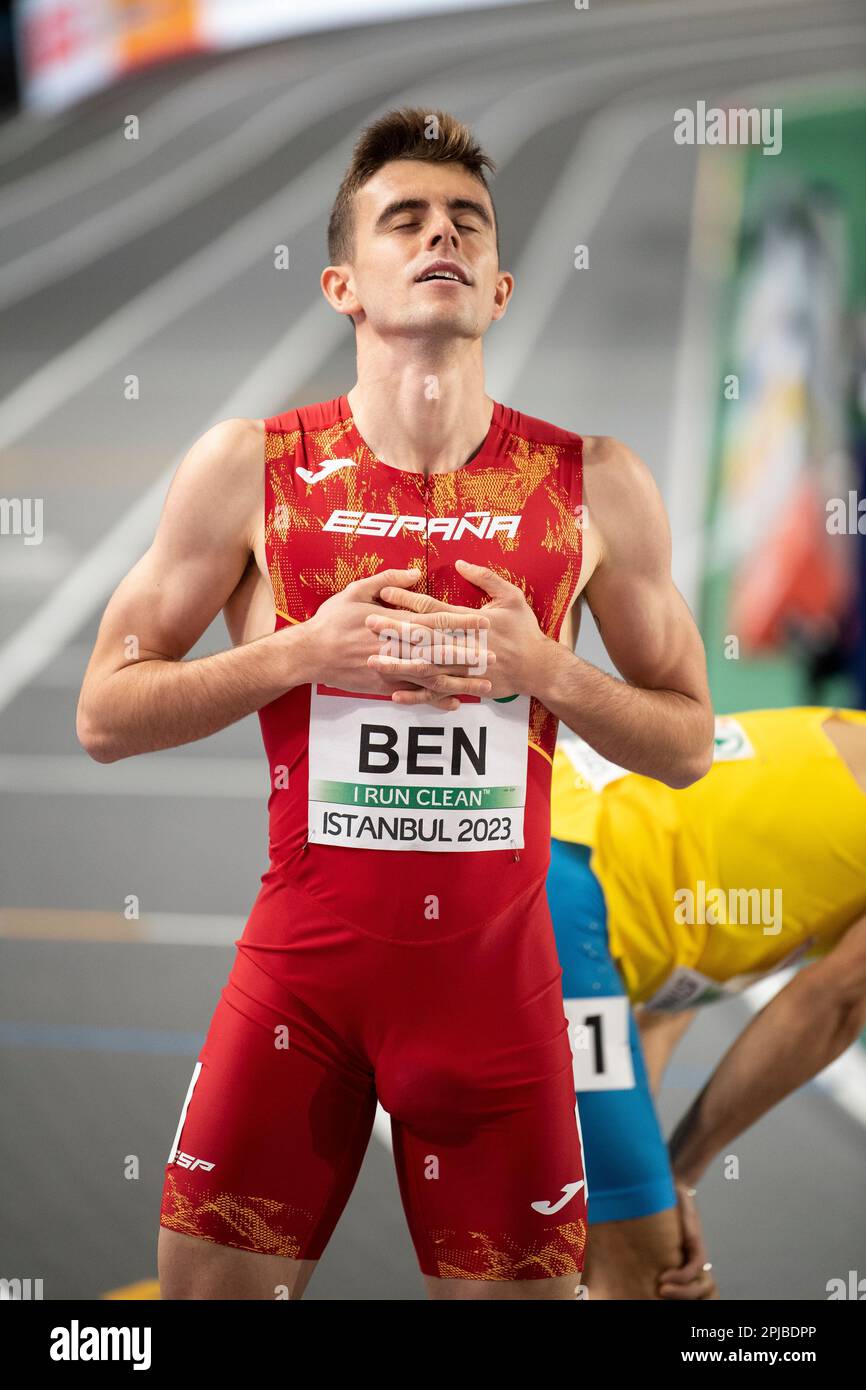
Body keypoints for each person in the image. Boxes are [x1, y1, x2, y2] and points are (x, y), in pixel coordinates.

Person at [76, 108, 713, 1301]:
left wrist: (550, 674)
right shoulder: (247, 468)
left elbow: (685, 746)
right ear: (342, 284)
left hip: (500, 1013)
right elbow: (105, 714)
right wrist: (299, 651)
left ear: (501, 284)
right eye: (404, 219)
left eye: (466, 221)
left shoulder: (596, 486)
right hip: (298, 998)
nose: (441, 236)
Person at [547, 702, 866, 1299]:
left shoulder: (843, 741)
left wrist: (645, 1174)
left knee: (555, 1258)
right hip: (563, 907)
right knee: (653, 1278)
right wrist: (678, 1176)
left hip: (538, 864)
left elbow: (669, 999)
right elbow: (832, 1005)